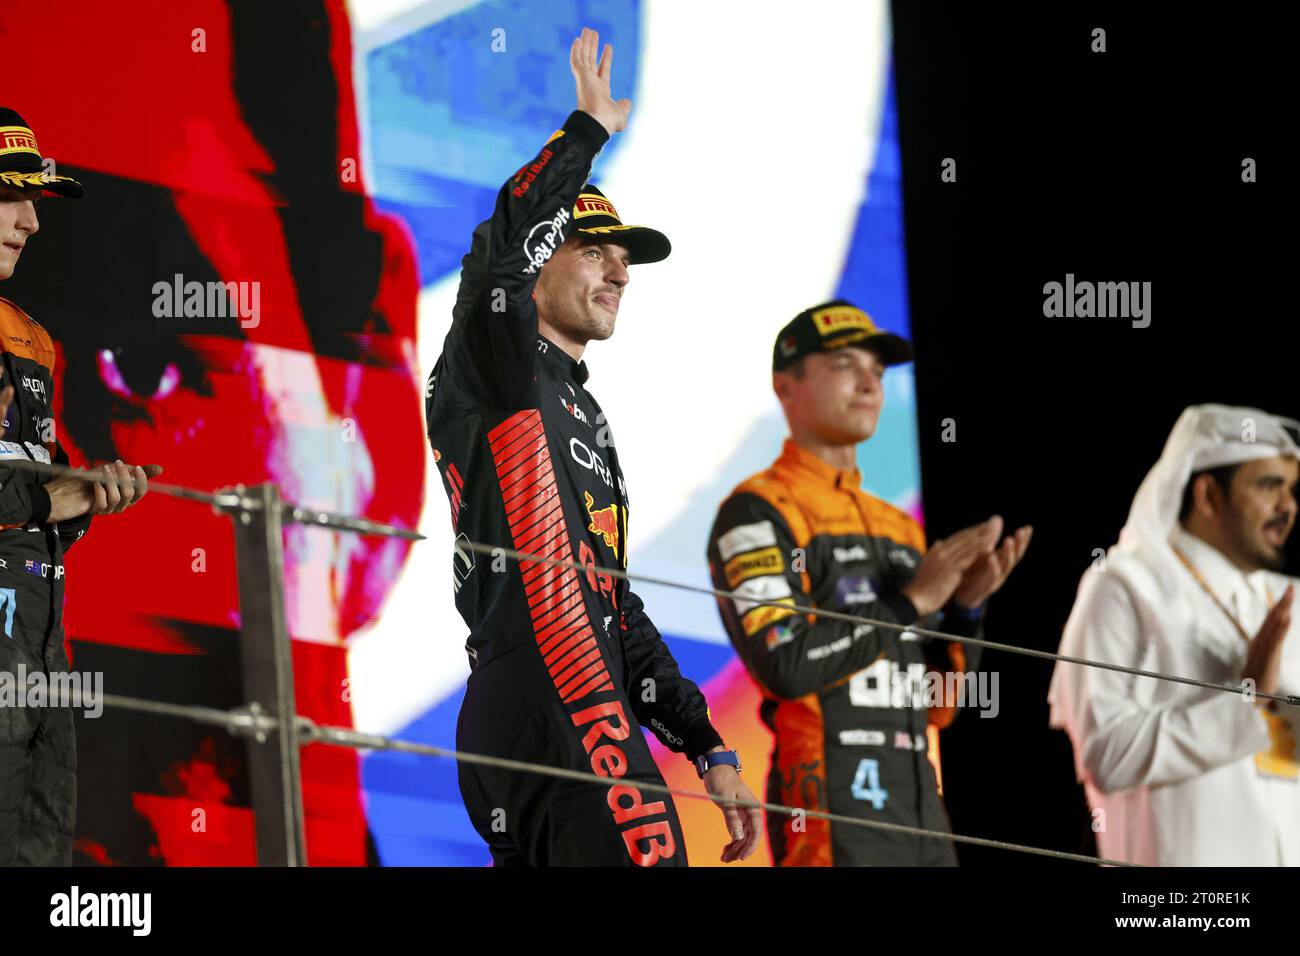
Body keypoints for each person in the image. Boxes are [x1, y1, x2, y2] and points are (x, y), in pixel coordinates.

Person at [425, 29, 761, 866]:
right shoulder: (495, 366)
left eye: (625, 258)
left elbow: (611, 601)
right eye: (594, 250)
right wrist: (585, 130)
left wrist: (705, 742)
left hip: (580, 691)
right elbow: (498, 254)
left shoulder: (579, 409)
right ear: (540, 262)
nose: (619, 271)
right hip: (545, 690)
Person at [706, 300, 1031, 865]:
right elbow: (785, 666)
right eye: (844, 365)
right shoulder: (757, 512)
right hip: (831, 814)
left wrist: (966, 613)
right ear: (787, 385)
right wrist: (910, 603)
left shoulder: (900, 528)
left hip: (925, 817)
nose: (868, 384)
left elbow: (937, 709)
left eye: (878, 373)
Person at [0, 107, 158, 865]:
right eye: (9, 196)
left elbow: (41, 492)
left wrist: (84, 498)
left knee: (41, 848)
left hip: (40, 645)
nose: (30, 220)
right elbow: (28, 495)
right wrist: (42, 499)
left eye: (34, 200)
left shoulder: (30, 338)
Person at [1049, 404, 1300, 865]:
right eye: (1269, 486)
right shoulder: (1124, 587)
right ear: (1207, 495)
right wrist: (1244, 701)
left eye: (1291, 488)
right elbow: (1108, 757)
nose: (1289, 506)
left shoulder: (1289, 598)